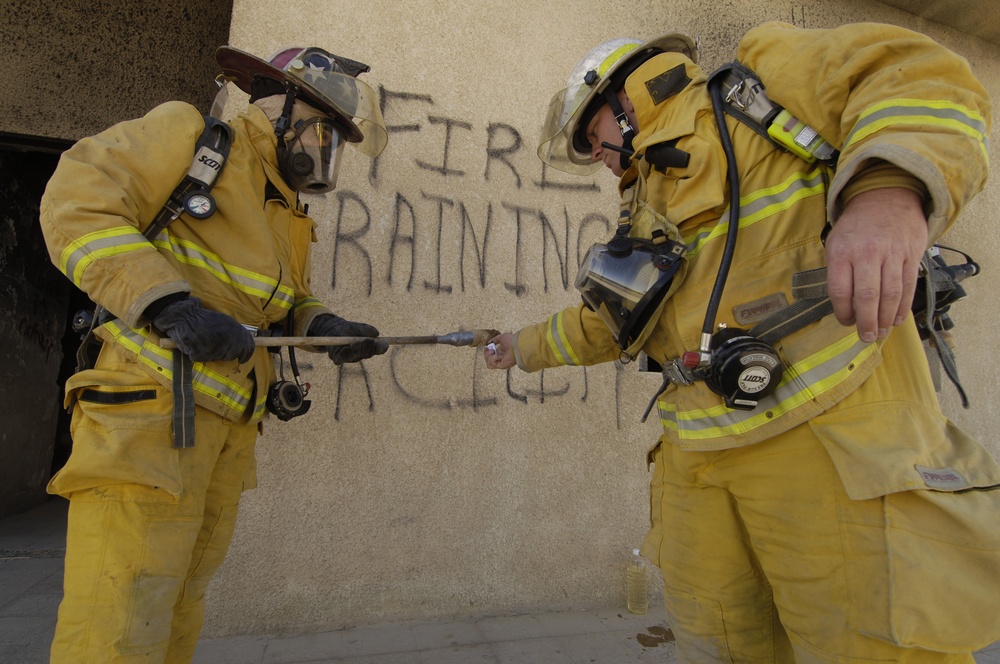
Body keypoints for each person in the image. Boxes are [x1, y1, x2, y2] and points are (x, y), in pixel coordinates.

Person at [485, 22, 1000, 662]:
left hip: (823, 441)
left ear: (625, 98)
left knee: (869, 647)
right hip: (697, 461)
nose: (601, 160)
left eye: (596, 140)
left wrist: (886, 194)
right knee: (720, 645)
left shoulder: (752, 90)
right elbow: (616, 321)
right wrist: (520, 346)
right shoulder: (646, 201)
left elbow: (916, 71)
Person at [39, 44, 388, 663]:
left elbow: (276, 301)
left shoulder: (284, 204)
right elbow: (75, 203)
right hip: (146, 421)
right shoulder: (194, 137)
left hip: (225, 433)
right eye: (324, 134)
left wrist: (322, 325)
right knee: (119, 618)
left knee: (180, 604)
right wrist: (166, 305)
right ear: (283, 111)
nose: (327, 153)